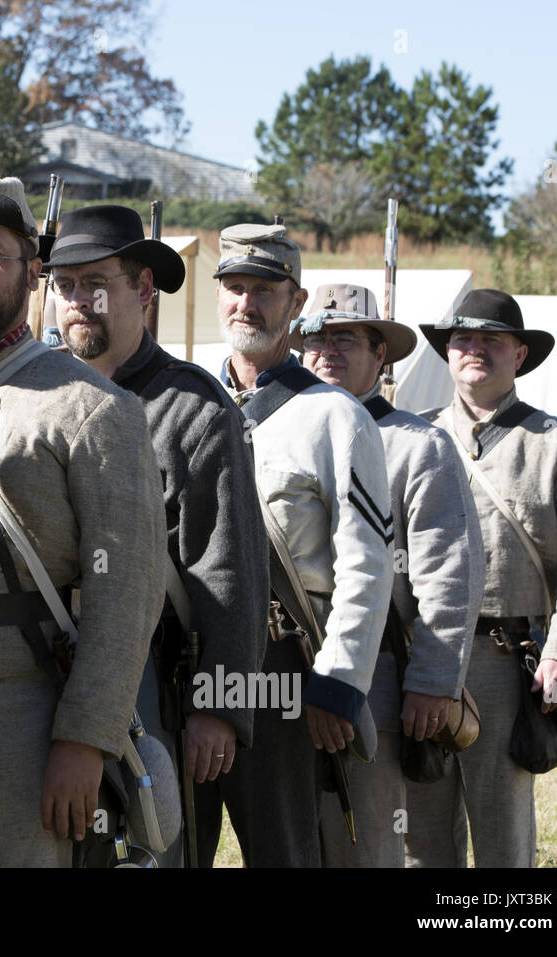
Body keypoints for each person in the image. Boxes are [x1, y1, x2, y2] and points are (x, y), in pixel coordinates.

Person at [0, 179, 166, 867]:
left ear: (32, 272)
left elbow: (128, 592)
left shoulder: (92, 406)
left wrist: (86, 740)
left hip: (19, 718)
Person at [46, 204, 269, 867]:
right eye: (65, 285)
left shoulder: (194, 408)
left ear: (143, 290)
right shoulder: (37, 393)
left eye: (97, 283)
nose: (79, 302)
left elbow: (228, 569)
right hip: (45, 675)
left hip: (155, 689)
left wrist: (219, 707)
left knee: (147, 852)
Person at [216, 223, 393, 867]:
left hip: (285, 666)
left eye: (265, 289)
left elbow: (367, 565)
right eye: (234, 287)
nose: (246, 303)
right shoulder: (192, 403)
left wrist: (338, 683)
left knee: (285, 851)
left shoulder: (335, 416)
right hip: (197, 662)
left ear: (297, 303)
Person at [290, 283, 483, 867]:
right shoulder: (280, 431)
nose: (327, 350)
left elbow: (449, 573)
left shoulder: (419, 447)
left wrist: (432, 678)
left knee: (365, 843)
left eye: (345, 337)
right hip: (282, 672)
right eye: (316, 338)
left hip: (376, 675)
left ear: (381, 354)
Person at [408, 288, 557, 867]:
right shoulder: (412, 437)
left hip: (505, 657)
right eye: (462, 339)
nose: (475, 350)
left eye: (492, 340)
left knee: (501, 834)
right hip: (423, 656)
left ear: (519, 354)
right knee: (421, 834)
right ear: (446, 352)